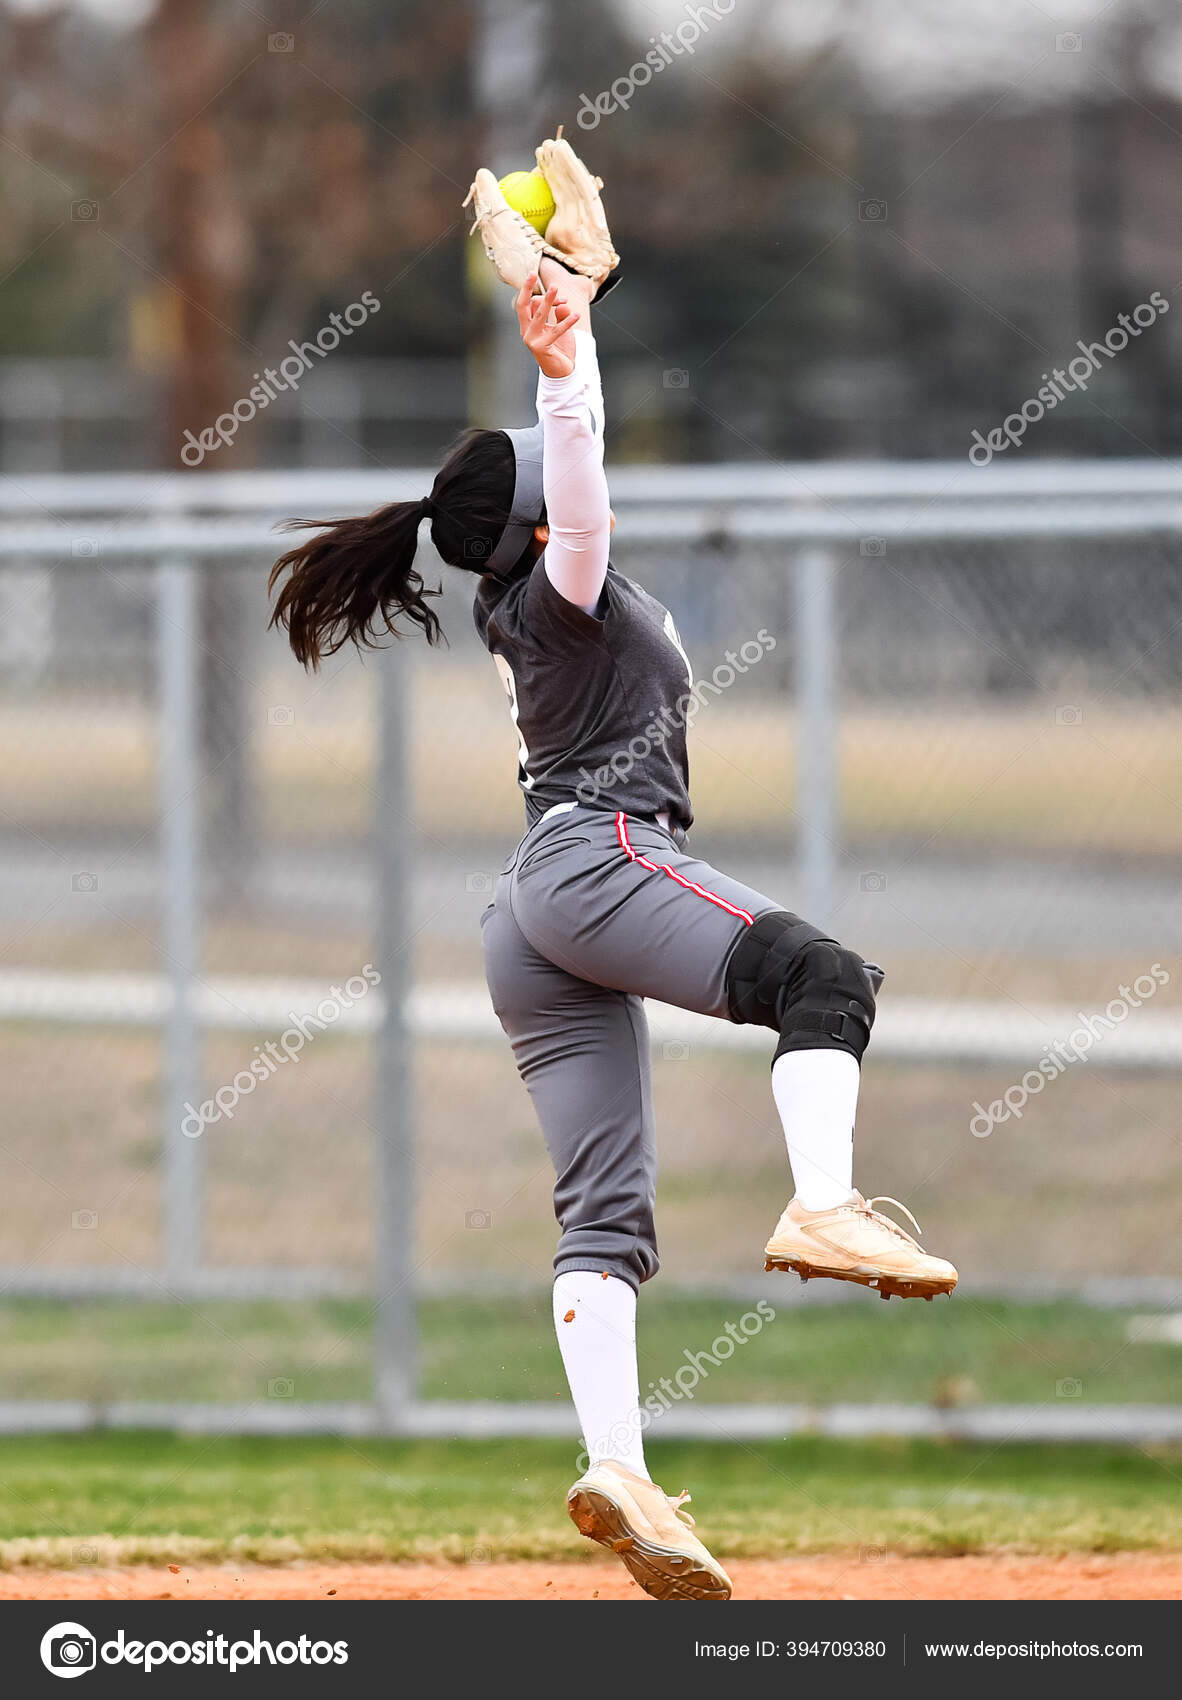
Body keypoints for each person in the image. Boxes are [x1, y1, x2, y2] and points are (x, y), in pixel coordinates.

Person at [269, 137, 956, 1603]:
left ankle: (619, 1471)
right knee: (820, 979)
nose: (588, 487)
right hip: (596, 862)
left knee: (601, 1219)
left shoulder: (542, 594)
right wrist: (562, 345)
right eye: (557, 488)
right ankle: (821, 1207)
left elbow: (570, 474)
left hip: (532, 916)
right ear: (530, 525)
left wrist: (580, 288)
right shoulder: (560, 586)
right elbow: (571, 458)